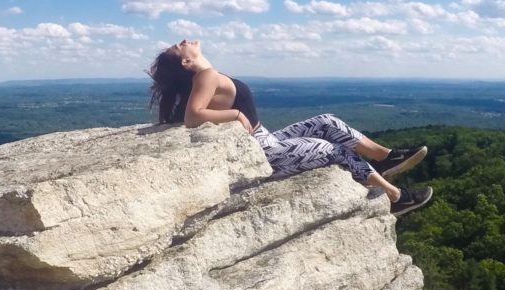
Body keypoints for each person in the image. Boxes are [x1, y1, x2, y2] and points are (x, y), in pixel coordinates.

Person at [148, 38, 433, 216]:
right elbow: (192, 116)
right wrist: (235, 114)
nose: (184, 39)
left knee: (326, 121)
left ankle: (386, 158)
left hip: (265, 139)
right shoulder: (206, 75)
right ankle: (394, 196)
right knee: (331, 149)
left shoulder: (208, 73)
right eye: (178, 45)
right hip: (262, 152)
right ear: (186, 61)